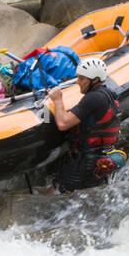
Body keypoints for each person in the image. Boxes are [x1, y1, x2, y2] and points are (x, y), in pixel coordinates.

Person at [49, 55, 121, 193]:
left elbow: (63, 124)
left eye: (82, 79)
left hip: (88, 162)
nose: (78, 82)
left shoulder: (93, 98)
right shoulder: (109, 94)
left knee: (54, 192)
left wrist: (57, 100)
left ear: (94, 80)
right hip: (100, 159)